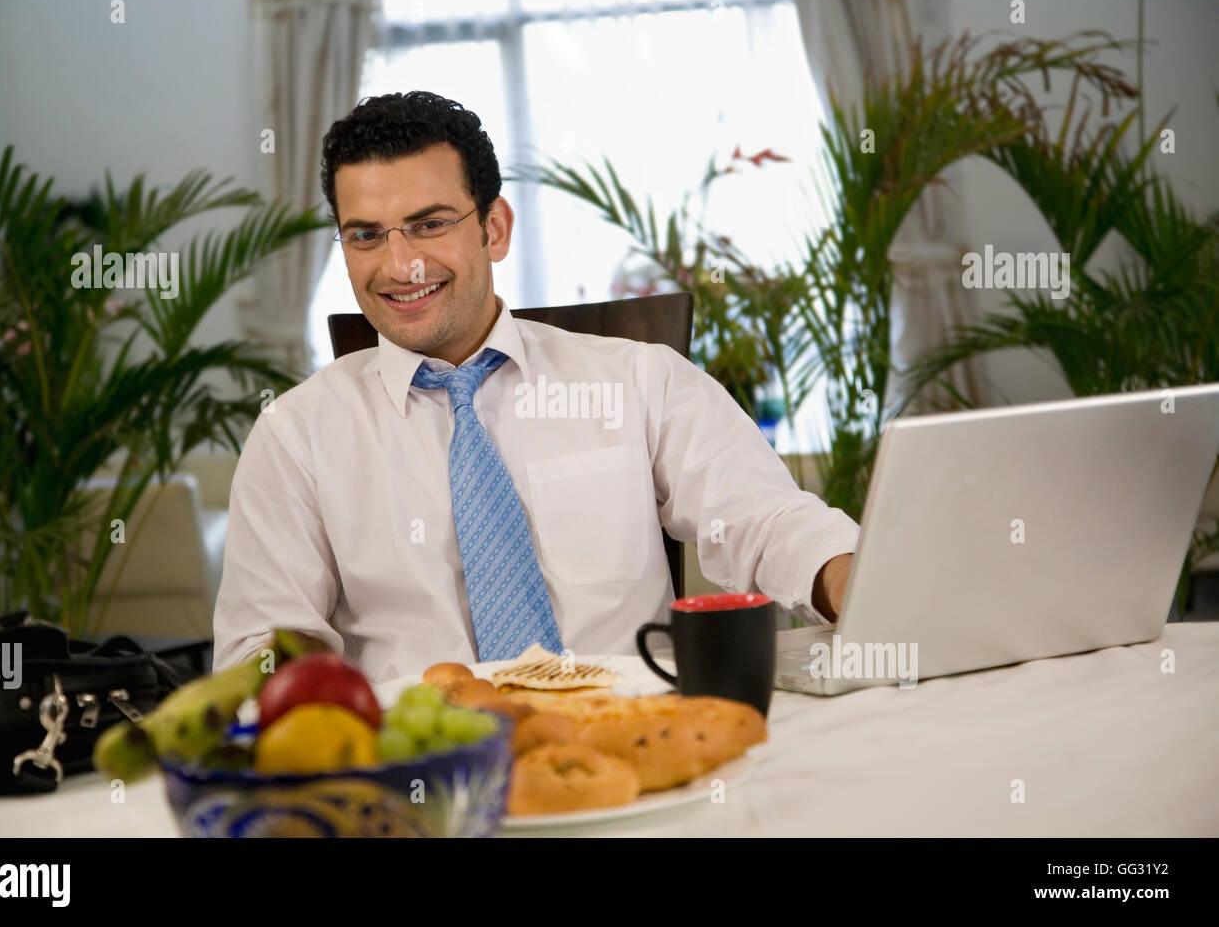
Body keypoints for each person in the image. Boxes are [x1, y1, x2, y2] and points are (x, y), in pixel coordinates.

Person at [212, 91, 858, 682]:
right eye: (365, 235)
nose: (399, 262)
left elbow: (766, 518)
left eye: (429, 223)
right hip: (432, 773)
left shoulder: (637, 381)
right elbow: (261, 646)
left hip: (635, 745)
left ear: (494, 229)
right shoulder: (295, 437)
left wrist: (850, 579)